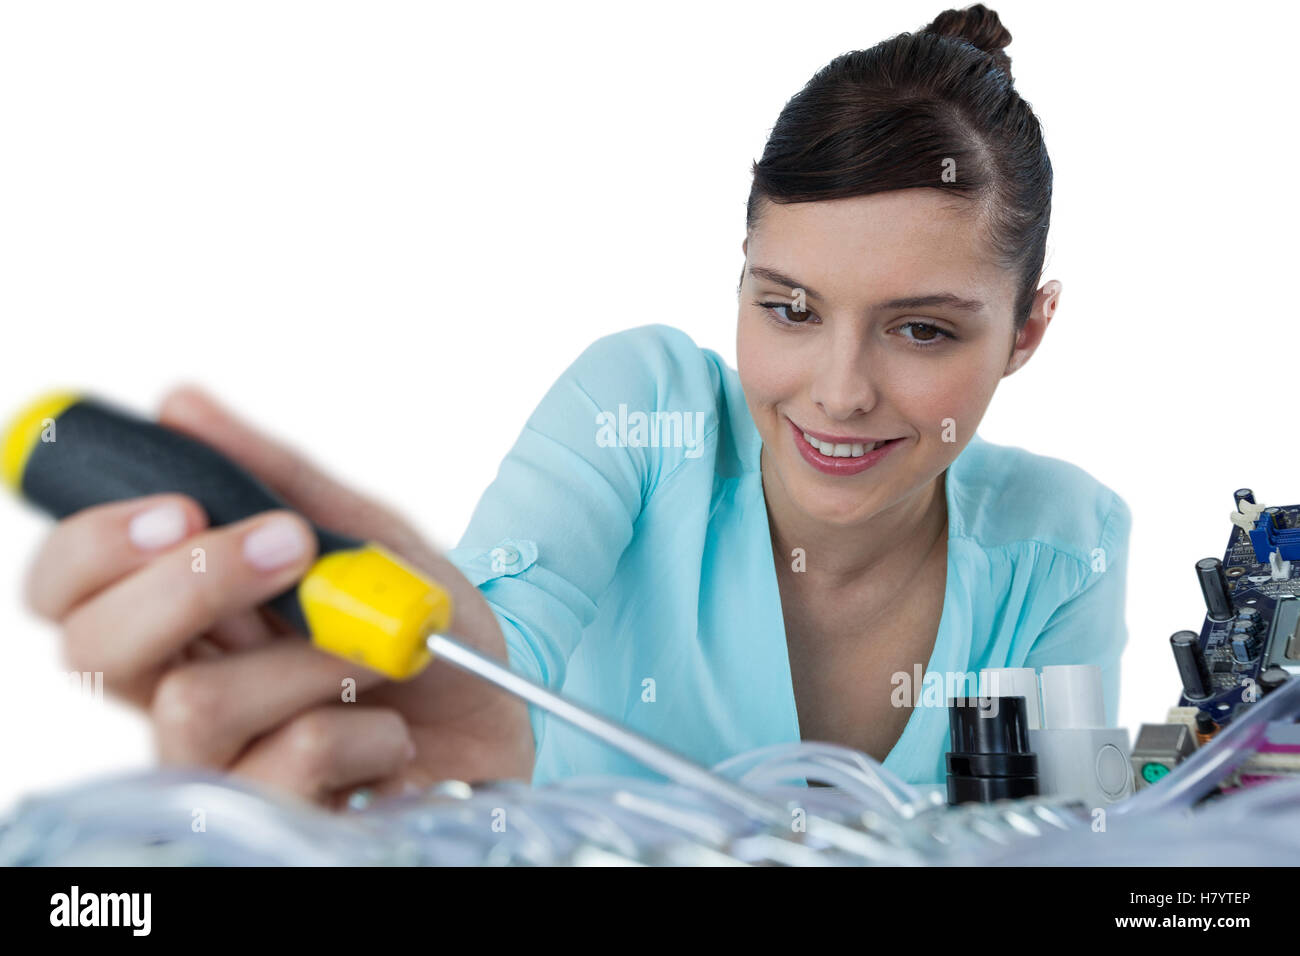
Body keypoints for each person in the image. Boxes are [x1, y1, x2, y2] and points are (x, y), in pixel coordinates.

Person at [19, 4, 1130, 807]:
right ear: (740, 277)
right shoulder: (641, 409)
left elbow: (1085, 842)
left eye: (921, 328)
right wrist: (422, 695)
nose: (837, 390)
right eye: (789, 309)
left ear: (1027, 328)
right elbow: (494, 648)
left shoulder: (1062, 539)